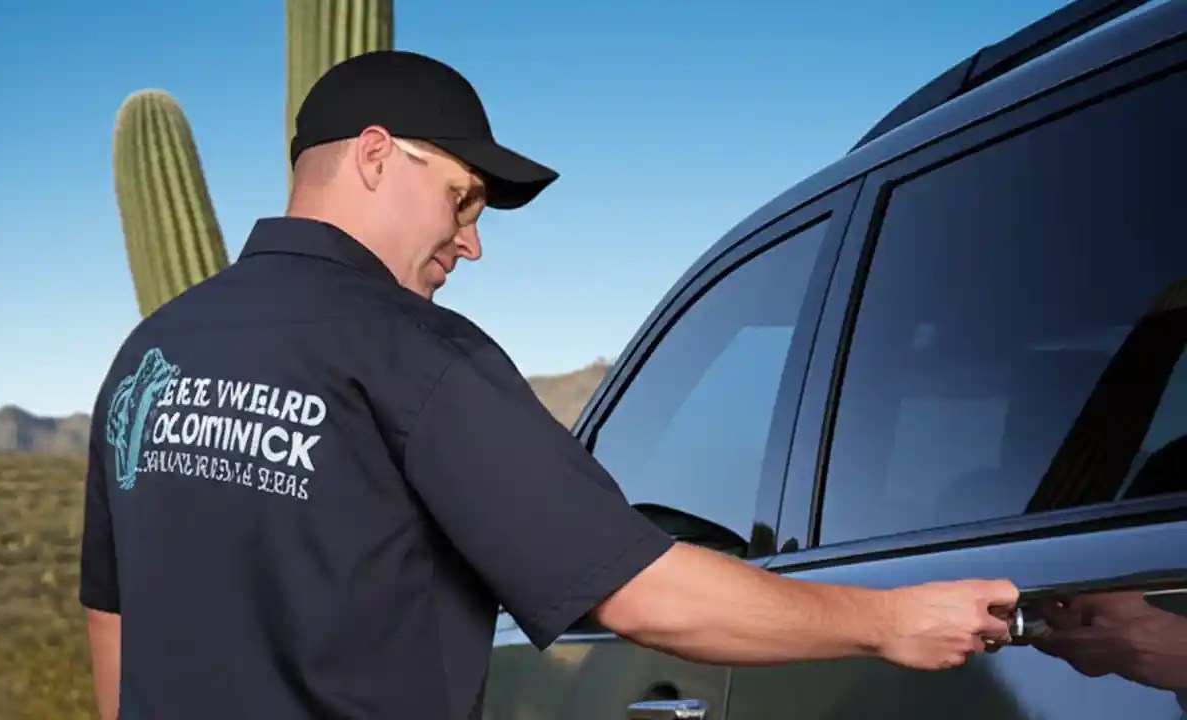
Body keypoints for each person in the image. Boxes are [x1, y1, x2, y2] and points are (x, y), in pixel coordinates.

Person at [78, 49, 1019, 720]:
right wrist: (890, 619)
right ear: (374, 156)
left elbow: (114, 615)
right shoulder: (411, 351)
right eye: (462, 200)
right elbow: (639, 594)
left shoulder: (152, 352)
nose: (471, 240)